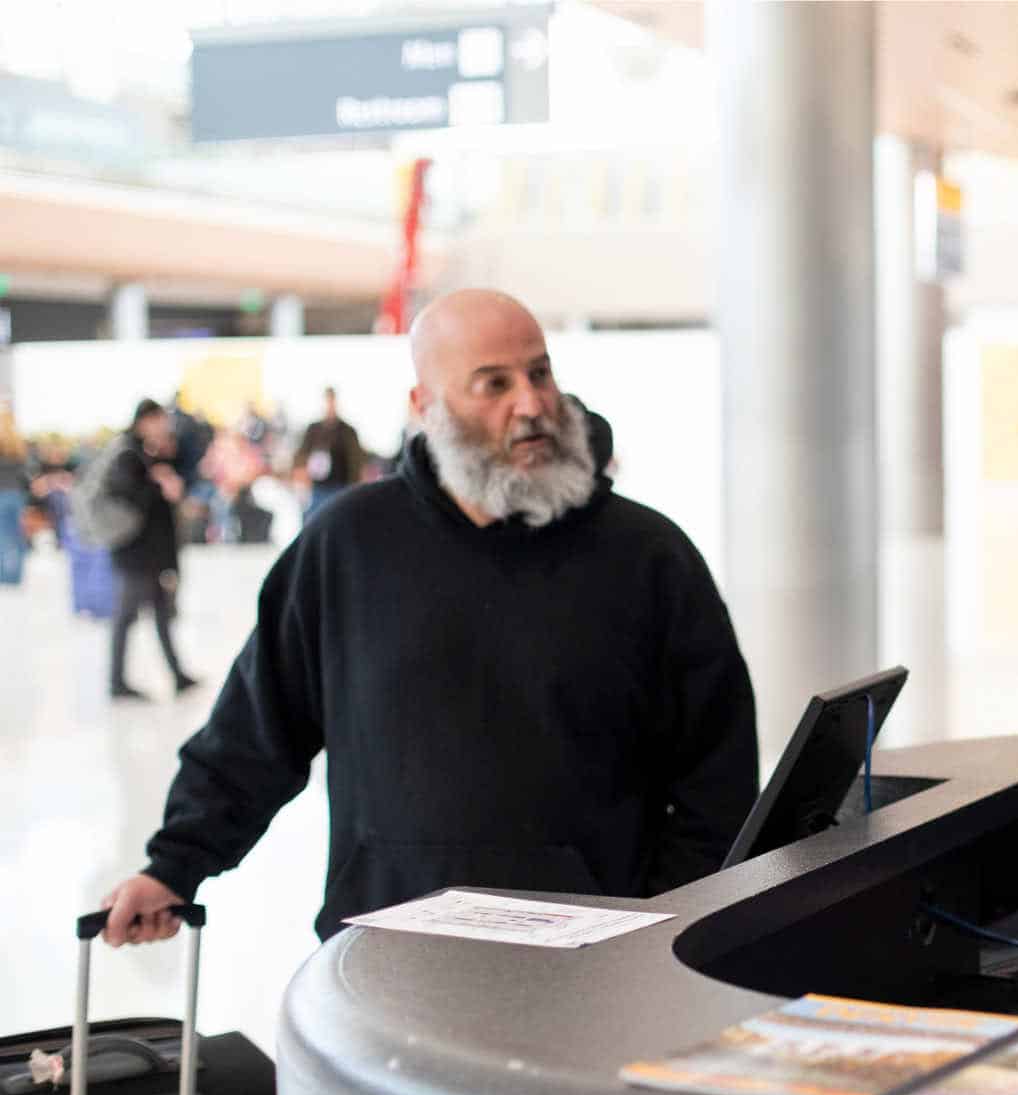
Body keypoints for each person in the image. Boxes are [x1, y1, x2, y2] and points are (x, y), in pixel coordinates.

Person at [99, 289, 758, 945]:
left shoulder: (648, 555)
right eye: (492, 384)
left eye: (539, 373)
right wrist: (177, 865)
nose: (529, 404)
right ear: (426, 407)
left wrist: (659, 922)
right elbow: (256, 728)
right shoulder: (348, 545)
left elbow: (717, 774)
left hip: (603, 963)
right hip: (387, 954)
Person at [106, 400, 199, 700]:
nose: (165, 425)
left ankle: (177, 675)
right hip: (136, 553)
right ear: (145, 421)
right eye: (159, 420)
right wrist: (158, 484)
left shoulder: (152, 452)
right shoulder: (128, 454)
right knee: (125, 615)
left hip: (153, 552)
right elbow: (130, 498)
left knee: (161, 612)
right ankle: (117, 682)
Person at [292, 386, 367, 517]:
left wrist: (354, 485)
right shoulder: (313, 430)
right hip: (318, 488)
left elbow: (355, 461)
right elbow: (302, 456)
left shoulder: (347, 431)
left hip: (340, 486)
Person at [0, 409, 29, 585]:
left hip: (1, 495)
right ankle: (16, 575)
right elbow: (25, 474)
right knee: (17, 535)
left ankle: (4, 574)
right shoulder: (18, 445)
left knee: (2, 536)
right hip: (16, 495)